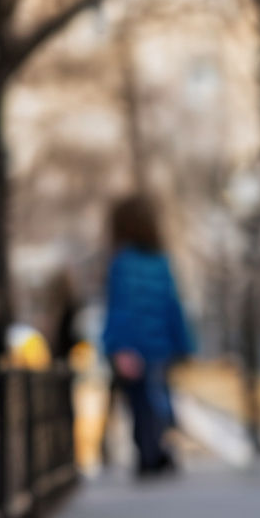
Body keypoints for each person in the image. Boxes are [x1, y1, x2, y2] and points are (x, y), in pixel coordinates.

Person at [102, 195, 193, 477]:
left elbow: (120, 309)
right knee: (157, 397)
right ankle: (158, 452)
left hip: (134, 349)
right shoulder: (162, 262)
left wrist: (117, 346)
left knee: (140, 404)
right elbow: (173, 306)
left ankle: (148, 456)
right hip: (160, 347)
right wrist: (183, 344)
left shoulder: (121, 263)